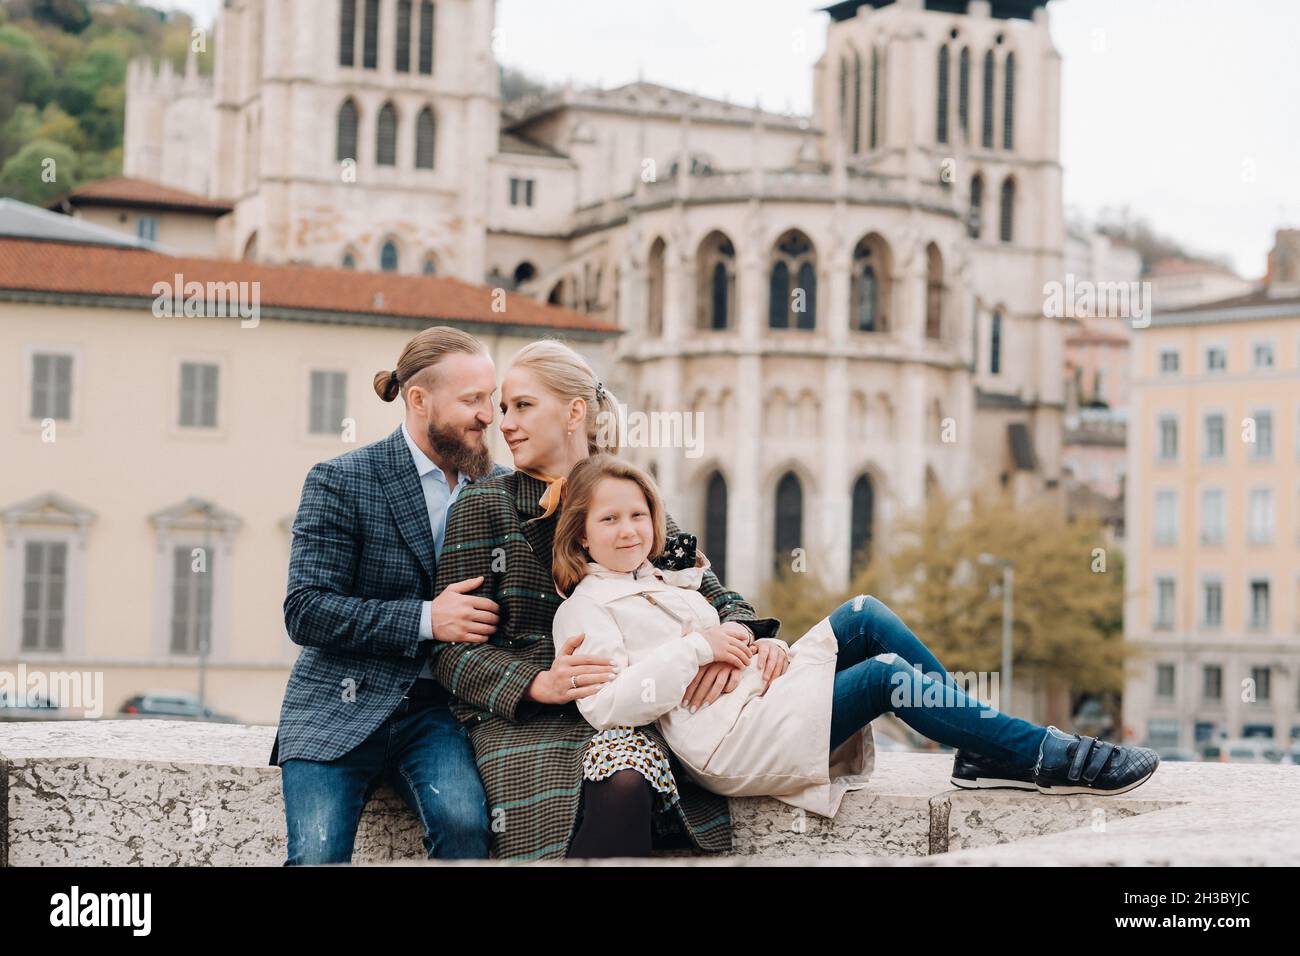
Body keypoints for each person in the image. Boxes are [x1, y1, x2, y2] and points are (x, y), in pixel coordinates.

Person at [547, 453, 1161, 848]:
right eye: (609, 520)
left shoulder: (657, 579)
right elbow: (607, 707)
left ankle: (980, 751)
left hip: (762, 700)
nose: (629, 530)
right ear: (580, 533)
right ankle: (1049, 756)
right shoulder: (585, 609)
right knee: (888, 677)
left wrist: (761, 648)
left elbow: (723, 636)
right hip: (730, 741)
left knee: (865, 613)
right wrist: (694, 648)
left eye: (638, 515)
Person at [428, 340, 778, 860]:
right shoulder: (485, 505)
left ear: (574, 413)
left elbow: (725, 601)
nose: (504, 423)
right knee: (621, 781)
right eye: (504, 408)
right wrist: (539, 683)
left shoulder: (626, 493)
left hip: (639, 707)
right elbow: (451, 654)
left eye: (522, 405)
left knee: (629, 777)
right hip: (527, 721)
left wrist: (742, 642)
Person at [272, 326, 509, 864]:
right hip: (335, 705)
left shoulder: (501, 488)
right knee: (315, 855)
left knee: (466, 831)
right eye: (472, 400)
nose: (488, 415)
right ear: (419, 399)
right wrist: (428, 619)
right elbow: (305, 610)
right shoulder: (341, 479)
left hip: (438, 714)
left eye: (490, 399)